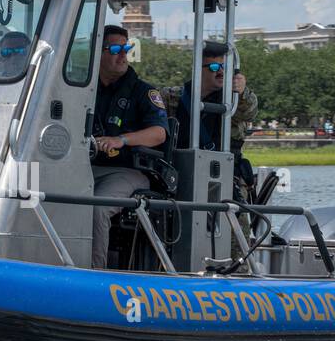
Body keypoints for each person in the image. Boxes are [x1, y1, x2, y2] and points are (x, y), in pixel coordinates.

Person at [90, 25, 168, 269]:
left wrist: (121, 140)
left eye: (126, 48)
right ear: (96, 52)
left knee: (96, 207)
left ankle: (93, 274)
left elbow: (159, 133)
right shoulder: (82, 89)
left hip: (129, 172)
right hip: (86, 167)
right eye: (115, 49)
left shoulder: (143, 92)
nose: (123, 55)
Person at [174, 40, 258, 153]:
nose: (221, 71)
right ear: (198, 69)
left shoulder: (232, 100)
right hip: (182, 165)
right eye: (214, 67)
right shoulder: (174, 97)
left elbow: (249, 113)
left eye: (224, 66)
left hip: (223, 167)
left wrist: (241, 92)